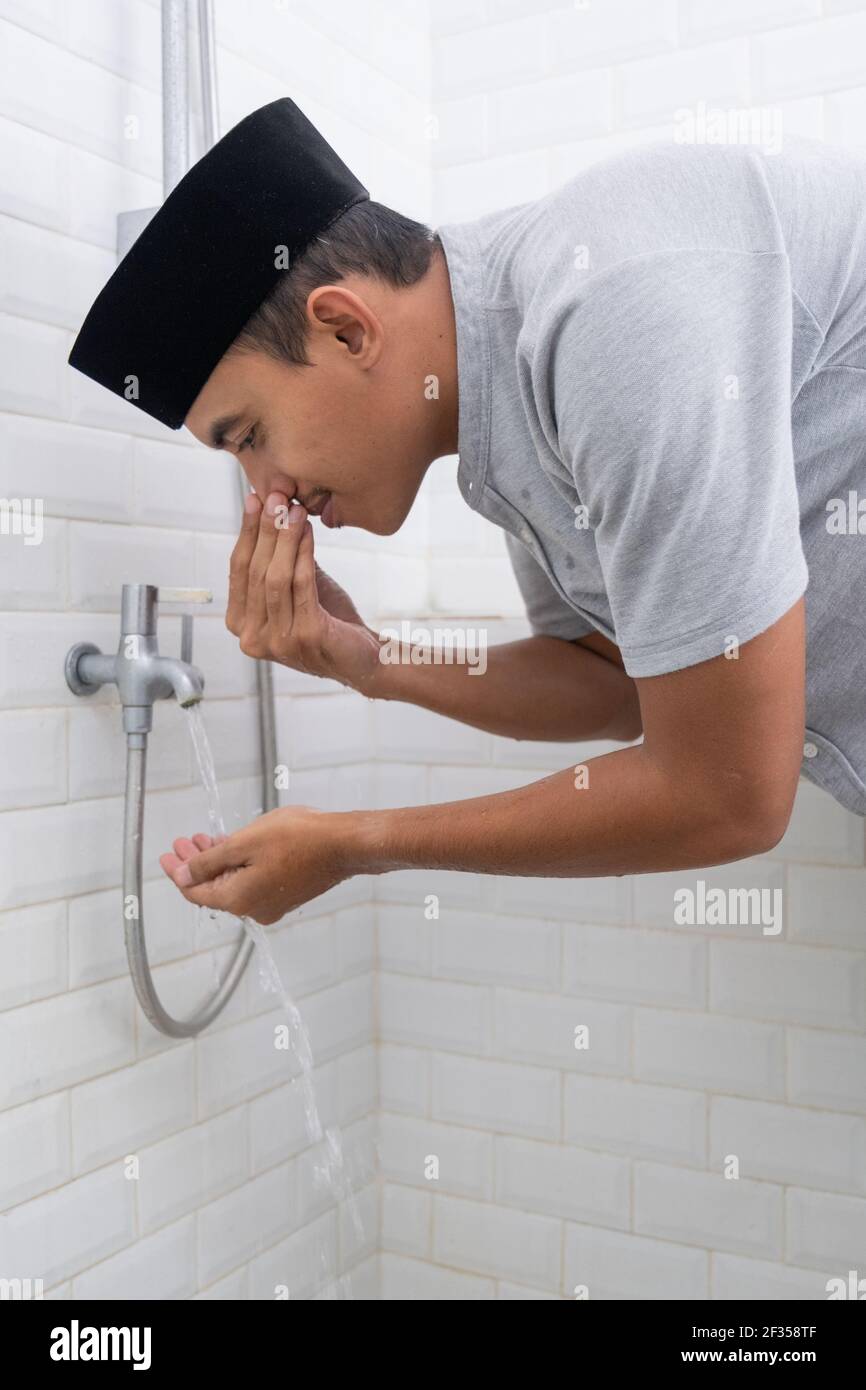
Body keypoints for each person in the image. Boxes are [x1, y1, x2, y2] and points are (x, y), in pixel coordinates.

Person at [68, 99, 866, 926]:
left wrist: (353, 845)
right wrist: (367, 660)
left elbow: (725, 794)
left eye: (250, 437)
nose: (268, 492)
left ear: (344, 330)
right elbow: (611, 679)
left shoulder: (610, 313)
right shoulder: (501, 397)